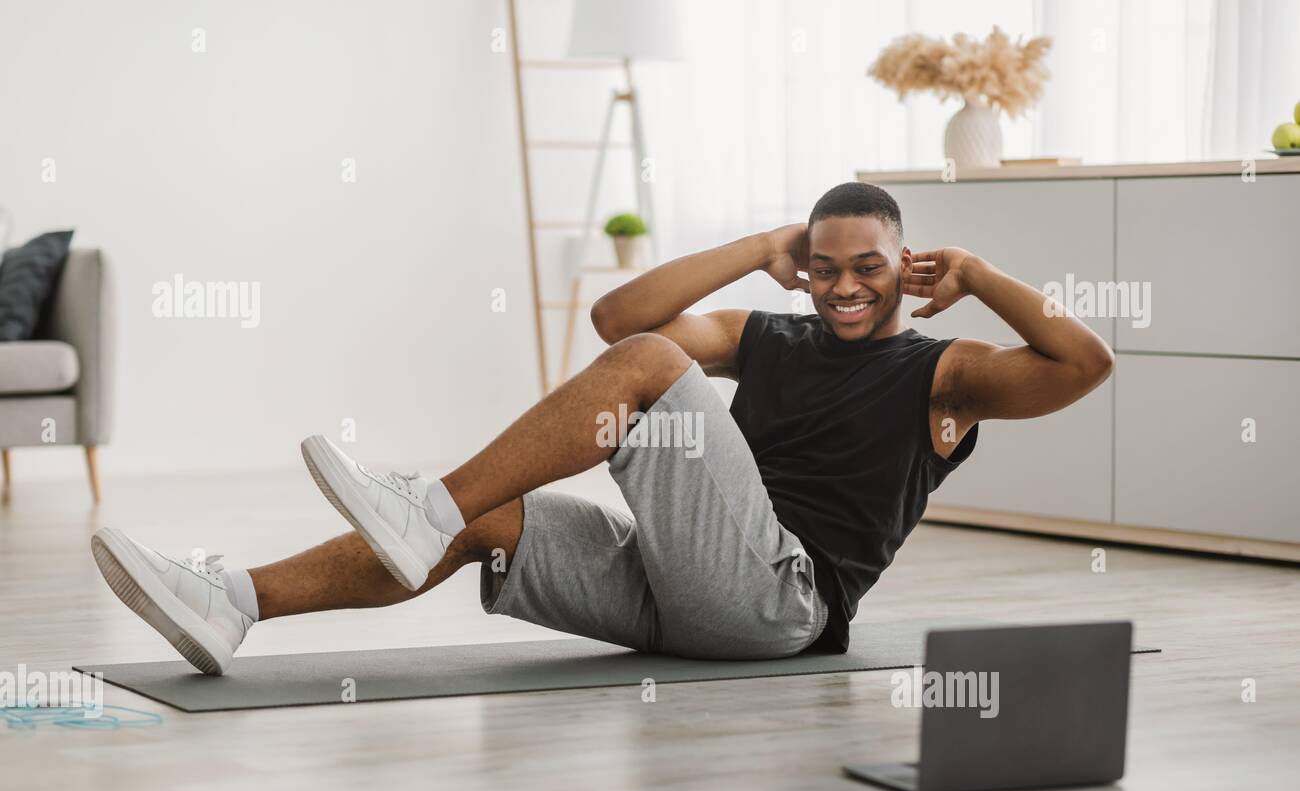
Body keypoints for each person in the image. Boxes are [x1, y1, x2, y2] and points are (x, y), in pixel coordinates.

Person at [91, 182, 1114, 675]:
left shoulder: (944, 374)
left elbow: (1086, 364)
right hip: (675, 587)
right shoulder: (768, 333)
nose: (844, 286)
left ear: (906, 265)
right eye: (824, 265)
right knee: (491, 519)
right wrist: (755, 245)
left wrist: (978, 276)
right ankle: (234, 599)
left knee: (658, 372)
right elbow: (617, 320)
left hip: (779, 601)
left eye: (869, 267)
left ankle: (424, 501)